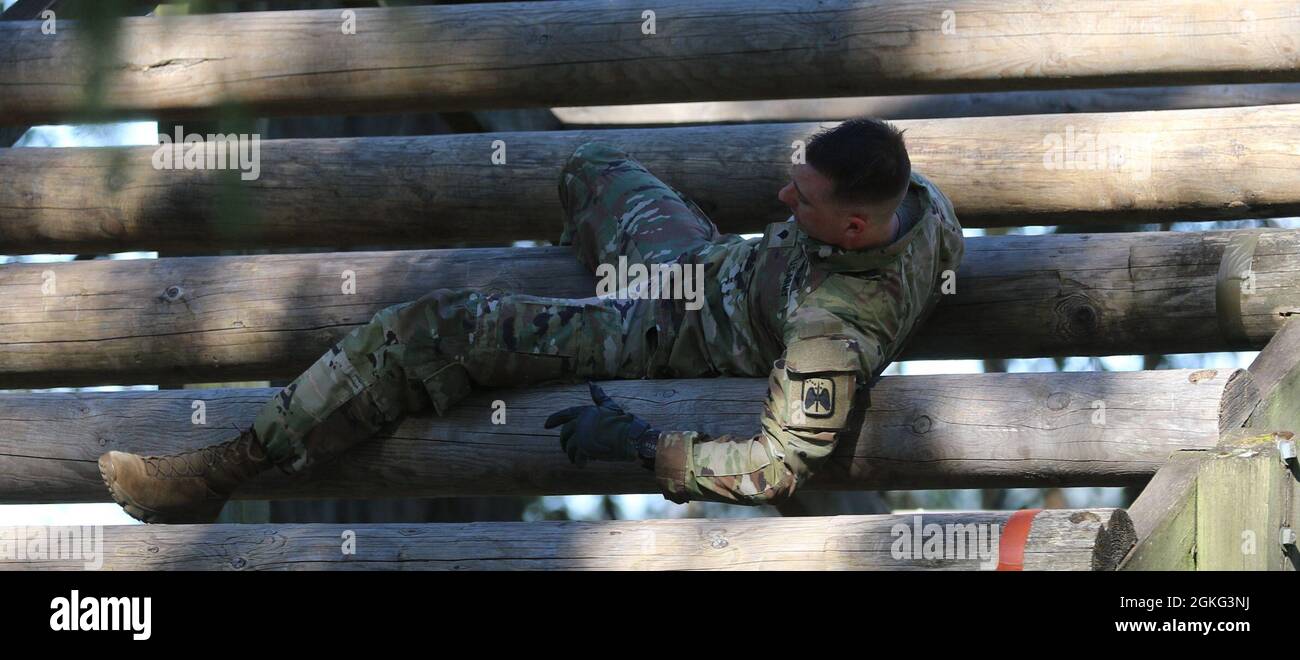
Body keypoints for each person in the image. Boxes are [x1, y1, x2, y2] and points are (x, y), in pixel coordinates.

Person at [98, 118, 965, 523]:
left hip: (664, 332)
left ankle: (223, 470)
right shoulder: (925, 203)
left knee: (434, 326)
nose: (784, 197)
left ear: (854, 228)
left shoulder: (830, 335)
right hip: (703, 267)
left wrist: (648, 446)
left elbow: (781, 468)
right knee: (589, 166)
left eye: (802, 200)